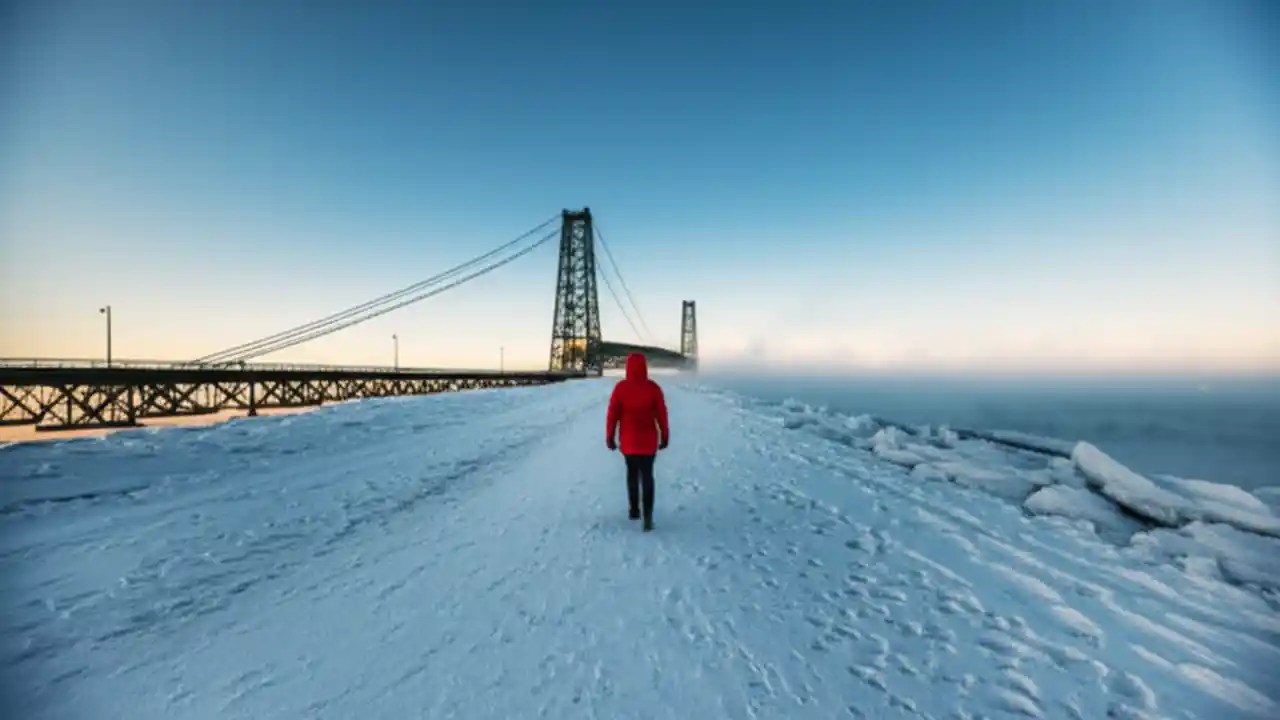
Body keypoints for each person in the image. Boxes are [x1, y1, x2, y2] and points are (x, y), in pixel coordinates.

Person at [606, 353, 669, 532]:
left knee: (632, 474)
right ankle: (648, 516)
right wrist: (665, 436)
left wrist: (609, 436)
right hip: (648, 442)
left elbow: (612, 415)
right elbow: (662, 415)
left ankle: (634, 510)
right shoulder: (653, 388)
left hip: (629, 442)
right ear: (644, 367)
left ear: (628, 367)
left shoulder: (620, 388)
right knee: (647, 476)